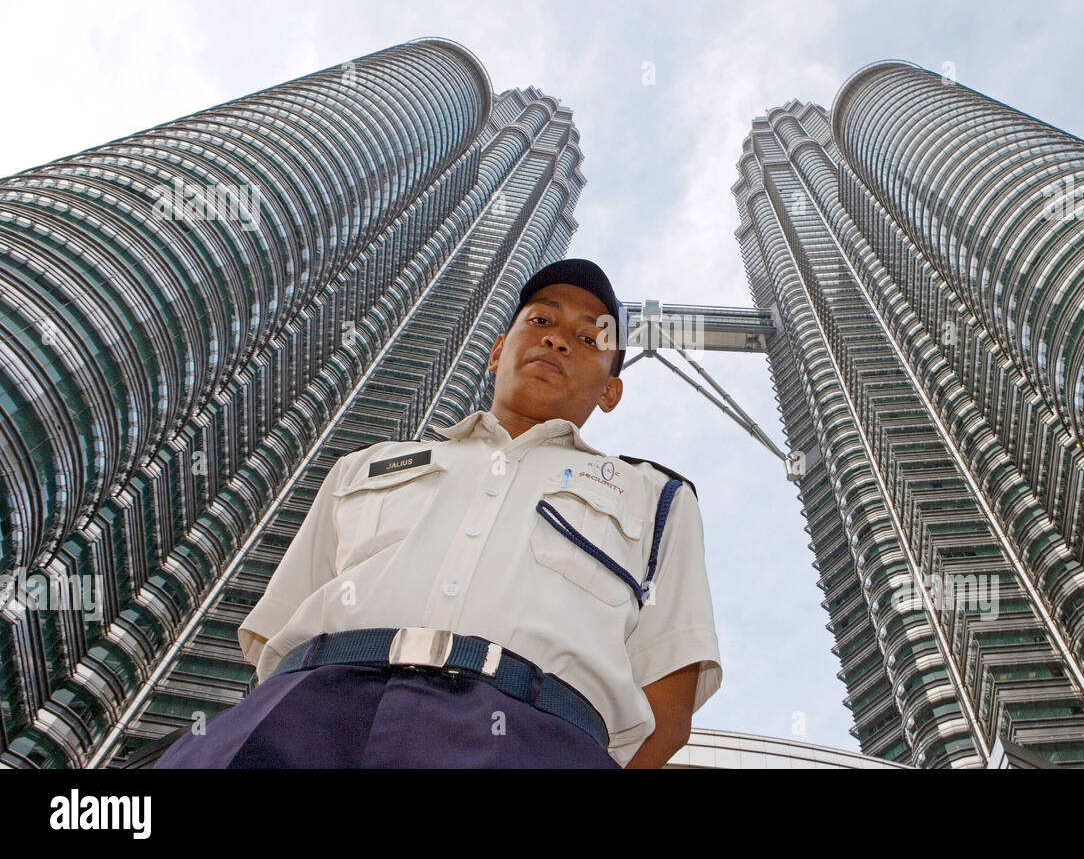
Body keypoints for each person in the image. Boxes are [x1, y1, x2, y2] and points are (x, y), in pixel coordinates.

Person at [155, 258, 722, 768]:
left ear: (611, 391)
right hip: (303, 711)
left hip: (532, 738)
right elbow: (277, 630)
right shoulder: (368, 464)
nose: (557, 342)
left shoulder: (657, 498)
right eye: (541, 322)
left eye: (587, 337)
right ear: (498, 349)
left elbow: (666, 710)